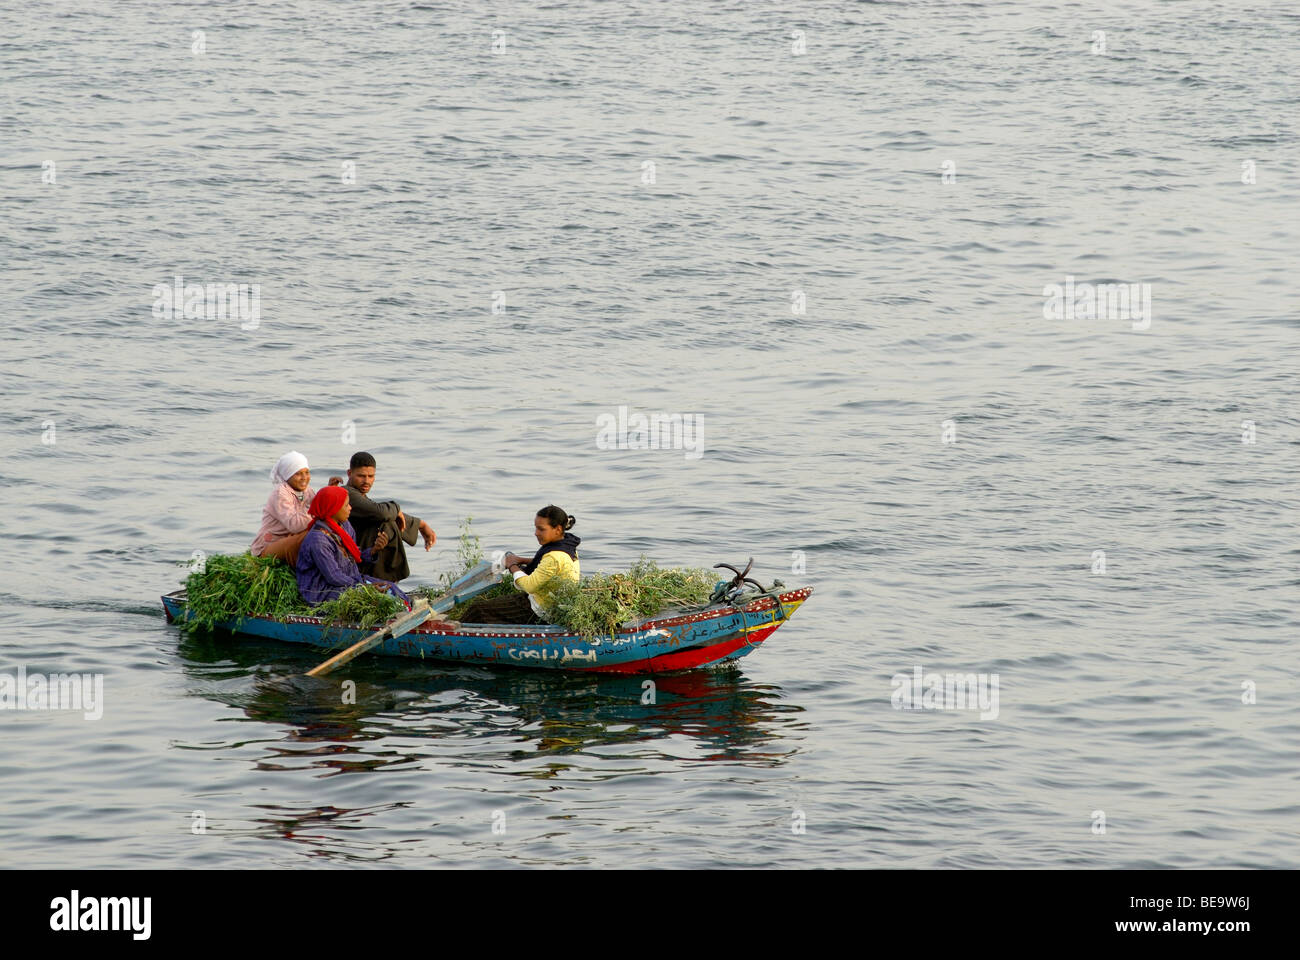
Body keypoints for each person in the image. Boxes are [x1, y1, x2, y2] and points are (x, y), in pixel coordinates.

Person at [294, 484, 411, 606]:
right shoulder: (318, 540)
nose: (350, 508)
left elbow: (354, 555)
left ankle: (409, 607)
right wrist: (365, 587)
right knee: (375, 599)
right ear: (333, 509)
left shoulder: (344, 526)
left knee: (390, 586)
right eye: (346, 505)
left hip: (350, 581)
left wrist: (374, 550)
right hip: (323, 592)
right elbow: (334, 577)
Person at [461, 506, 580, 624]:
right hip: (544, 601)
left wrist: (512, 565)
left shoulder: (555, 556)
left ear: (558, 529)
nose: (536, 533)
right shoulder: (567, 545)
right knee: (492, 606)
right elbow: (548, 564)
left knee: (477, 610)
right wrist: (521, 560)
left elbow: (528, 586)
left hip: (542, 610)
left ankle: (451, 639)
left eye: (541, 529)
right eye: (536, 528)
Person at [342, 451, 435, 583]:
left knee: (388, 521)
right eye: (361, 476)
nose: (366, 481)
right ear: (349, 473)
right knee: (388, 525)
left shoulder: (360, 495)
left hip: (364, 554)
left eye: (371, 476)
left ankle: (388, 580)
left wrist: (421, 524)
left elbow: (380, 512)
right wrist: (396, 507)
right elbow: (380, 512)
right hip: (354, 557)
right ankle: (388, 580)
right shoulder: (347, 493)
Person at [250, 451, 318, 566]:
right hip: (269, 545)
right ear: (287, 475)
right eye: (298, 474)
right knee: (311, 536)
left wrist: (330, 490)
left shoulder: (308, 491)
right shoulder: (280, 493)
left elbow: (318, 507)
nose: (304, 478)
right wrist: (317, 514)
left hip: (289, 539)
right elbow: (295, 525)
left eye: (307, 472)